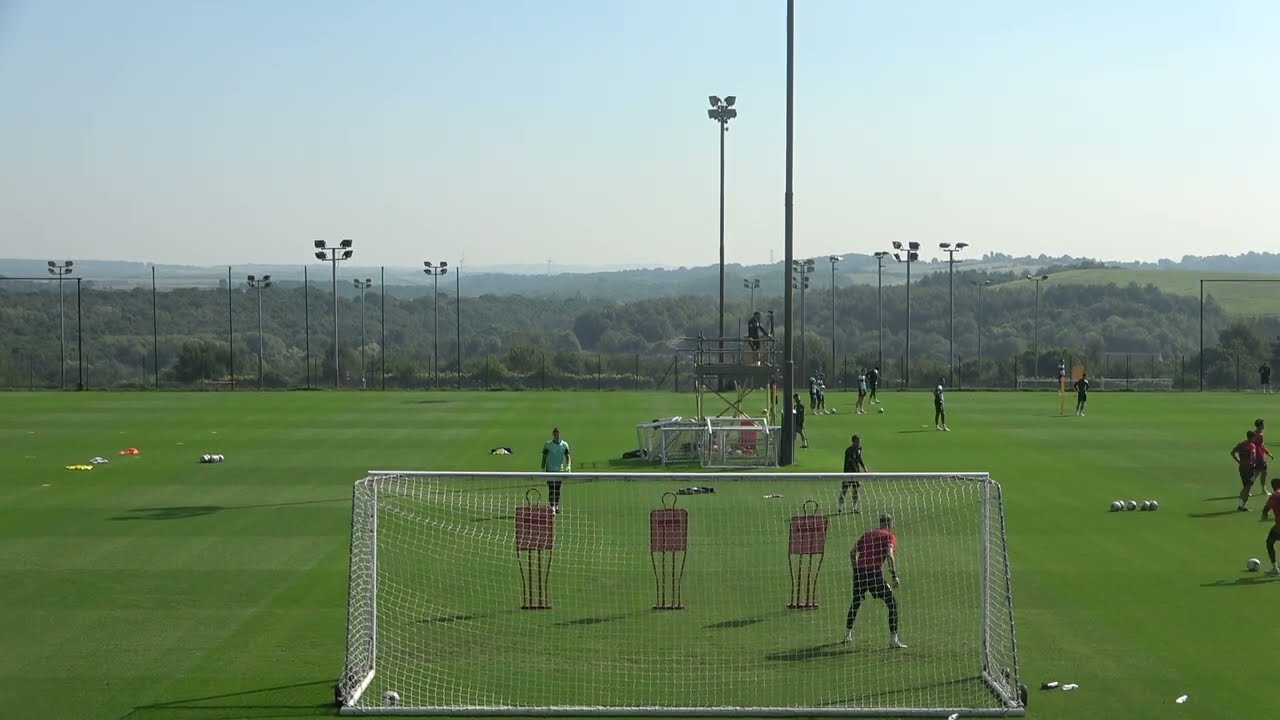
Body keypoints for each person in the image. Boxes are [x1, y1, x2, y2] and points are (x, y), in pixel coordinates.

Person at [844, 513, 906, 648]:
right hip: (874, 573)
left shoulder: (867, 534)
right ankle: (894, 640)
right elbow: (889, 555)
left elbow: (852, 552)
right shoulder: (889, 536)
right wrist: (894, 575)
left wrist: (856, 571)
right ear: (889, 523)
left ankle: (847, 634)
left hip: (860, 573)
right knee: (892, 603)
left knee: (856, 602)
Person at [541, 427, 571, 514]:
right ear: (553, 435)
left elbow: (568, 457)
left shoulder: (564, 445)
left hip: (559, 471)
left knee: (557, 489)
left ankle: (556, 506)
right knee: (551, 489)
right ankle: (552, 507)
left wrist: (568, 466)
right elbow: (544, 457)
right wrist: (542, 467)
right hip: (550, 470)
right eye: (555, 434)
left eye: (558, 434)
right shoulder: (548, 445)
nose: (556, 435)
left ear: (560, 434)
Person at [1232, 430, 1259, 512]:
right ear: (1252, 437)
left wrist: (1239, 461)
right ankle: (1242, 507)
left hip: (1242, 468)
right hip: (1249, 469)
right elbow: (1253, 456)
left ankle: (1241, 506)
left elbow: (1232, 453)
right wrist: (1254, 465)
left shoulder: (1241, 444)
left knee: (1246, 487)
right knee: (1247, 488)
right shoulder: (1252, 446)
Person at [839, 434, 866, 514]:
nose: (859, 443)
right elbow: (849, 463)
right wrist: (855, 472)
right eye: (858, 441)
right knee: (844, 490)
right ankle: (840, 507)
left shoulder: (859, 449)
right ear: (853, 441)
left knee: (856, 490)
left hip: (856, 473)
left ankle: (854, 508)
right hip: (848, 473)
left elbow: (859, 458)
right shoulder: (848, 451)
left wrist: (864, 467)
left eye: (859, 441)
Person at [1260, 479, 1280, 575]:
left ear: (1273, 486)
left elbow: (1266, 509)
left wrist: (1264, 516)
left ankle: (1275, 568)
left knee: (1270, 542)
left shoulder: (1274, 496)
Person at [1253, 418, 1274, 497]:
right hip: (1259, 457)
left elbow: (1259, 446)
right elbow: (1260, 447)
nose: (1264, 426)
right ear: (1260, 426)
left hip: (1255, 457)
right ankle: (1263, 490)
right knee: (1261, 473)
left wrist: (1267, 453)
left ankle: (1248, 488)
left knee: (1258, 473)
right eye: (1262, 424)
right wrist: (1263, 457)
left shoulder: (1254, 433)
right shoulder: (1260, 435)